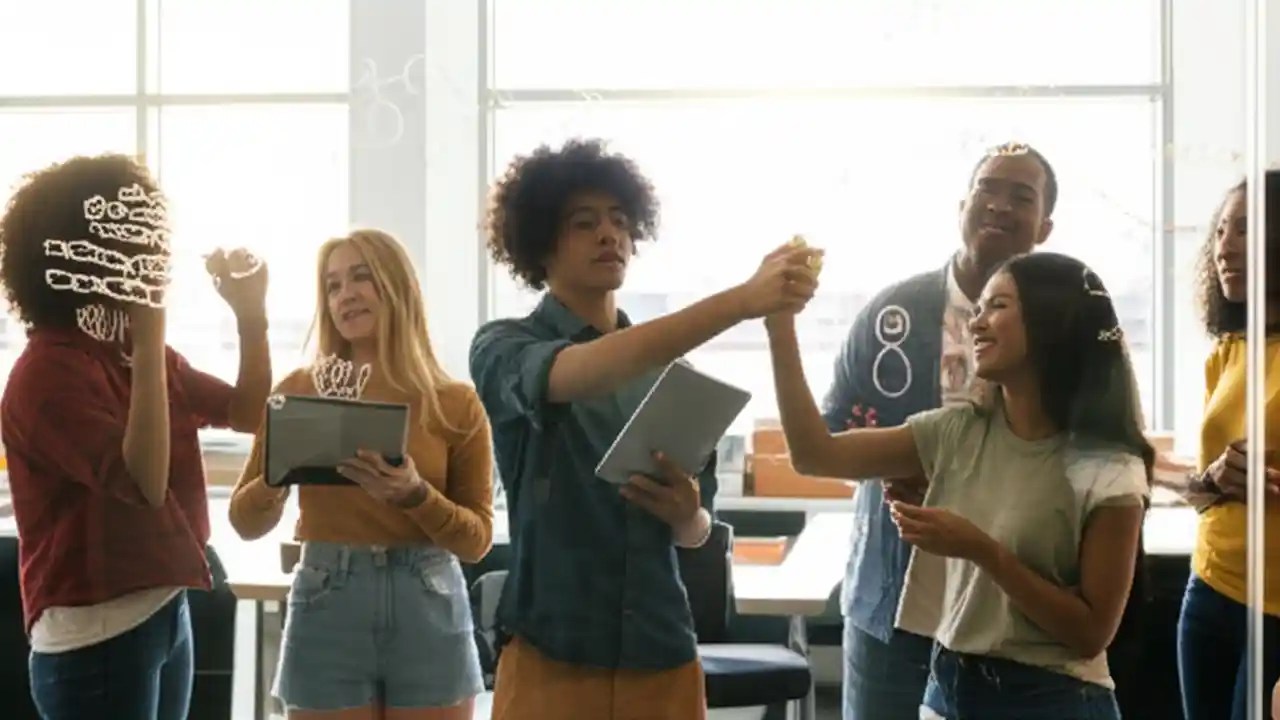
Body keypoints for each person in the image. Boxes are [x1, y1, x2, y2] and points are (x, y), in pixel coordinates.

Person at [469, 137, 819, 720]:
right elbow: (573, 374)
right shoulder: (505, 345)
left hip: (661, 653)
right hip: (553, 655)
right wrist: (740, 301)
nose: (610, 236)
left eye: (620, 222)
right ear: (540, 246)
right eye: (584, 223)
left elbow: (697, 529)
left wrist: (686, 513)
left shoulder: (669, 377)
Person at [768, 251, 1152, 718]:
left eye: (999, 306)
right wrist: (779, 327)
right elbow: (815, 454)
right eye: (979, 307)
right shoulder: (955, 431)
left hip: (1054, 700)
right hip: (948, 690)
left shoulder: (1109, 468)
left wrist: (980, 549)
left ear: (1052, 323)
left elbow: (1091, 633)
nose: (976, 322)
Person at [0, 153, 271, 720]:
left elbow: (248, 412)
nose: (152, 257)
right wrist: (149, 342)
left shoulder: (129, 354)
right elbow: (144, 482)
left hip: (162, 611)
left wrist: (250, 315)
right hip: (93, 637)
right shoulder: (47, 373)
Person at [819, 141, 1059, 718]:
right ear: (962, 208)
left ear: (1045, 226)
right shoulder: (891, 312)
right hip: (892, 597)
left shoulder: (1066, 324)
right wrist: (885, 465)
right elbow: (833, 430)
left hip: (1010, 602)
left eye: (1020, 197)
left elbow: (1090, 441)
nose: (999, 206)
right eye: (987, 190)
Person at [228, 228, 492, 720]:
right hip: (328, 597)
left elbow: (476, 541)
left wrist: (416, 495)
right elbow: (245, 523)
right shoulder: (298, 391)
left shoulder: (454, 402)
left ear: (398, 288)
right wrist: (280, 472)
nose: (344, 294)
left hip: (429, 599)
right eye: (332, 285)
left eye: (360, 277)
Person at [1175, 172, 1280, 720]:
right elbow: (1198, 492)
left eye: (1244, 229)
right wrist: (1214, 477)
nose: (1225, 247)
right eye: (1219, 232)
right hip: (1209, 589)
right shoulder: (1227, 353)